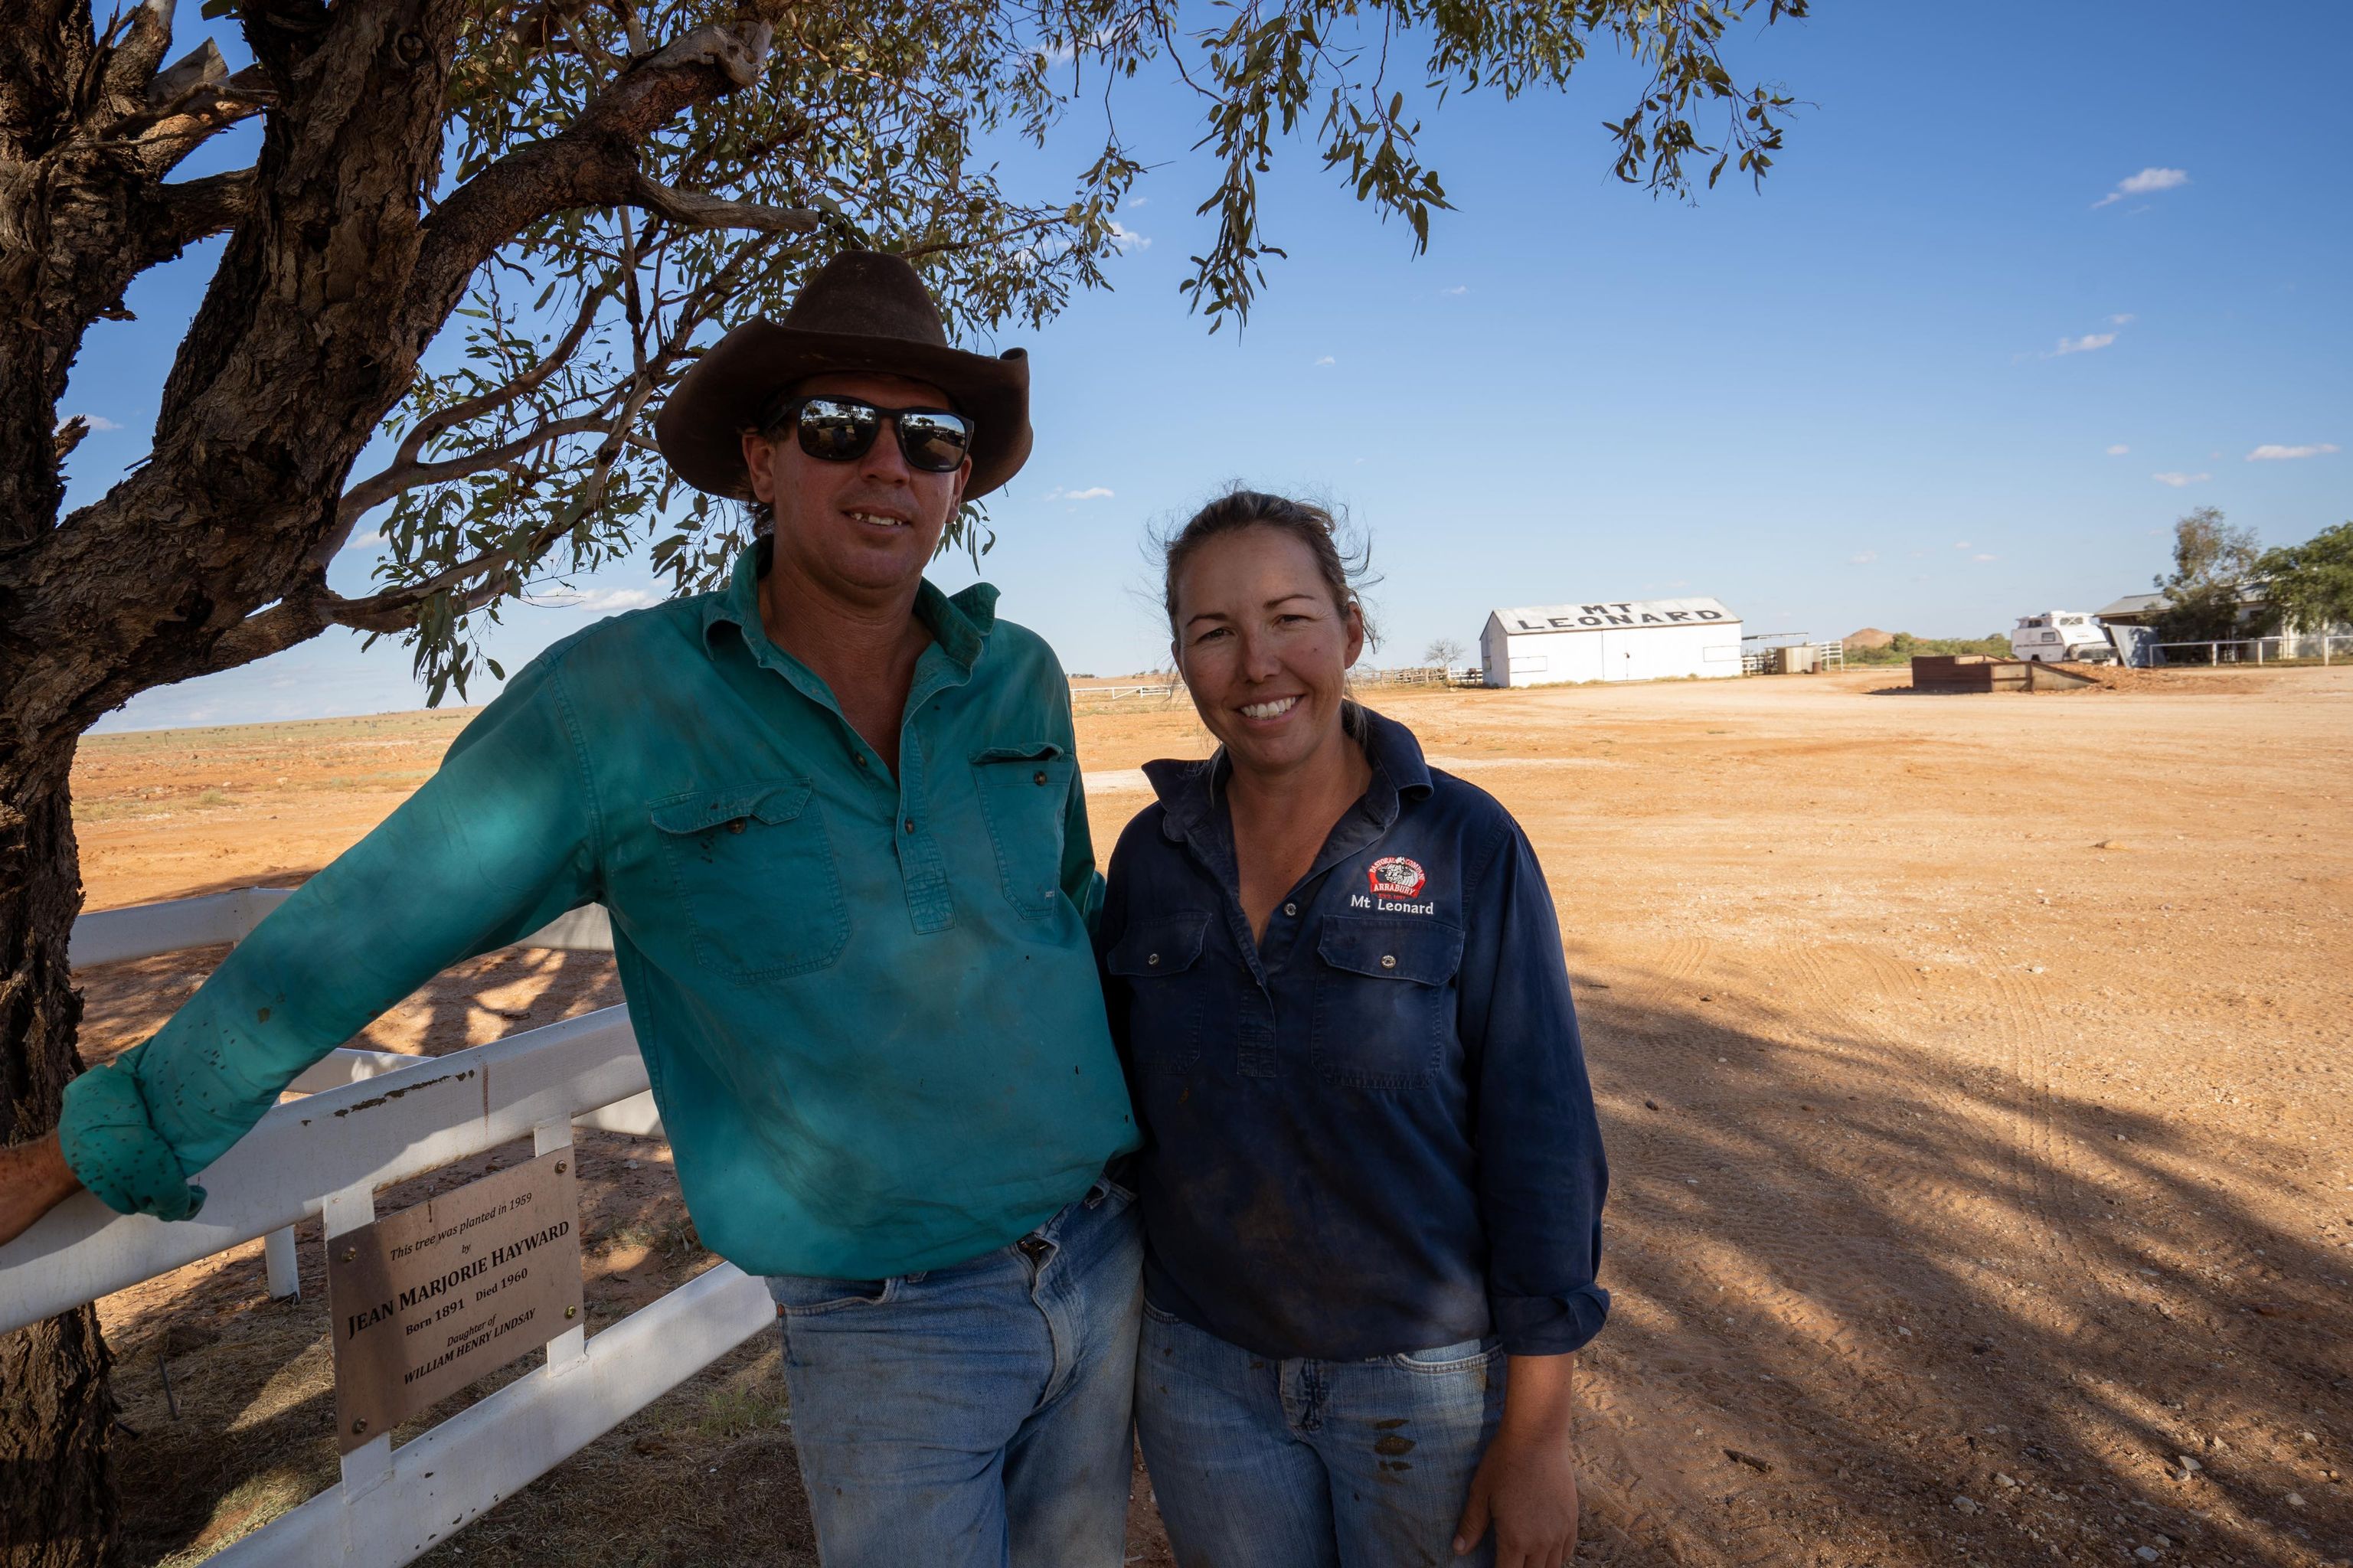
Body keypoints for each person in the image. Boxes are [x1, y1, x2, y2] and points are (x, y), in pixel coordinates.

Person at [0, 251, 1143, 1566]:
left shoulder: (1018, 679)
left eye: (929, 438)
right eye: (840, 426)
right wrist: (101, 1139)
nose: (890, 464)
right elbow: (359, 928)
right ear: (761, 461)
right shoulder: (615, 707)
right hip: (890, 1323)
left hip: (1103, 1252)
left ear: (957, 478)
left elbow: (1074, 923)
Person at [1098, 491, 1609, 1568]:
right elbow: (1116, 1116)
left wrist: (1535, 1434)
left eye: (1290, 619)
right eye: (1213, 632)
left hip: (1423, 1386)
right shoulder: (1150, 855)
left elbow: (1544, 1139)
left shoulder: (1465, 841)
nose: (1257, 665)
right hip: (1200, 1378)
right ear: (1181, 658)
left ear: (1351, 631)